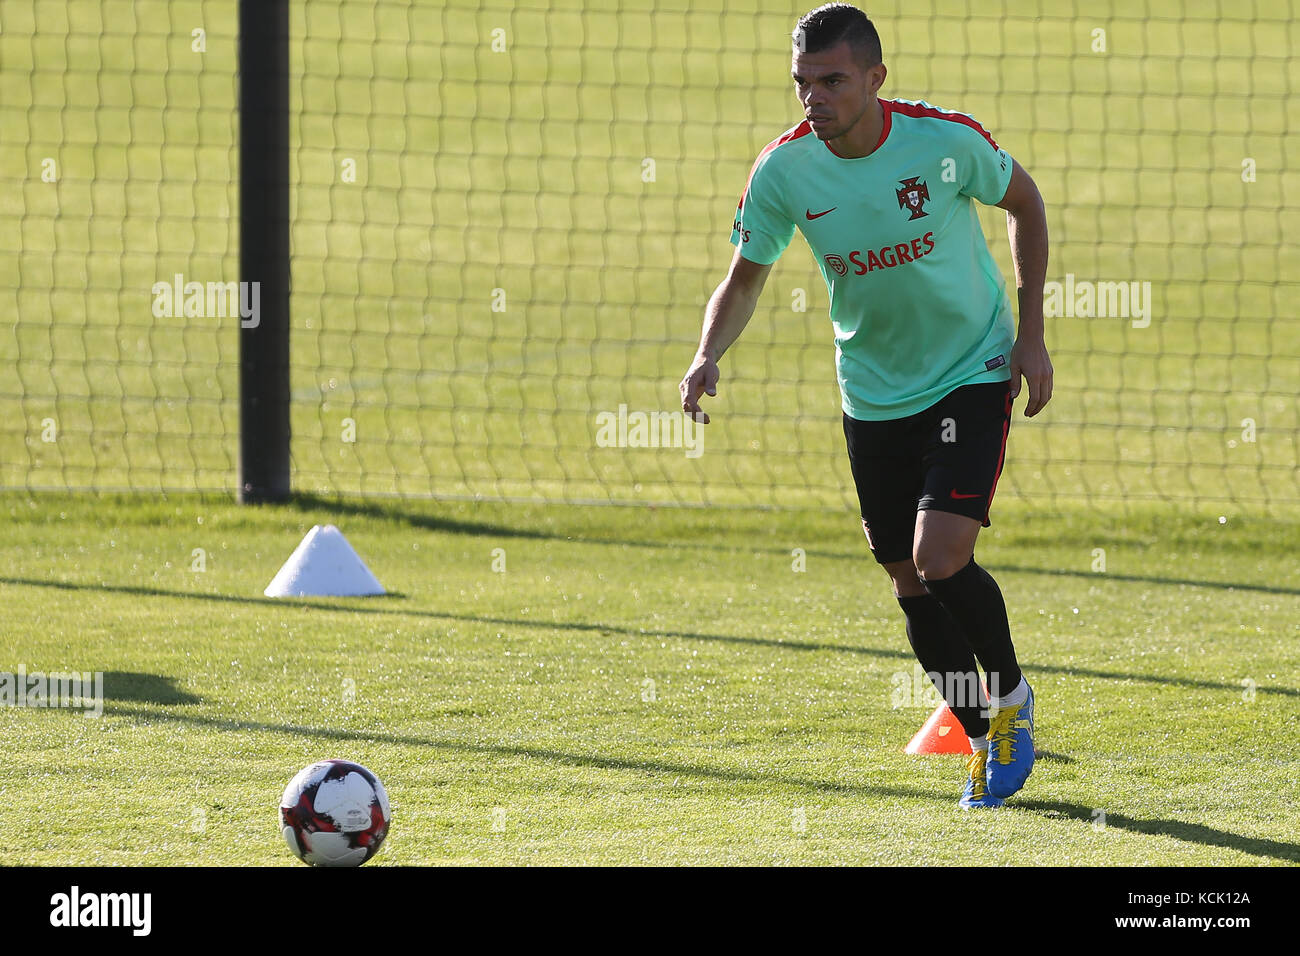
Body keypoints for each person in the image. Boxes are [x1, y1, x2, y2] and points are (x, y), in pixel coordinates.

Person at [679, 2, 1053, 808]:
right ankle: (979, 734)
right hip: (874, 394)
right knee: (906, 580)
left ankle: (1015, 703)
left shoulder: (945, 141)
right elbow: (746, 277)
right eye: (802, 83)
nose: (814, 98)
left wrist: (1033, 337)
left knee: (940, 556)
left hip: (971, 369)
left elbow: (1025, 202)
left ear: (876, 79)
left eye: (833, 80)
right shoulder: (783, 172)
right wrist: (709, 353)